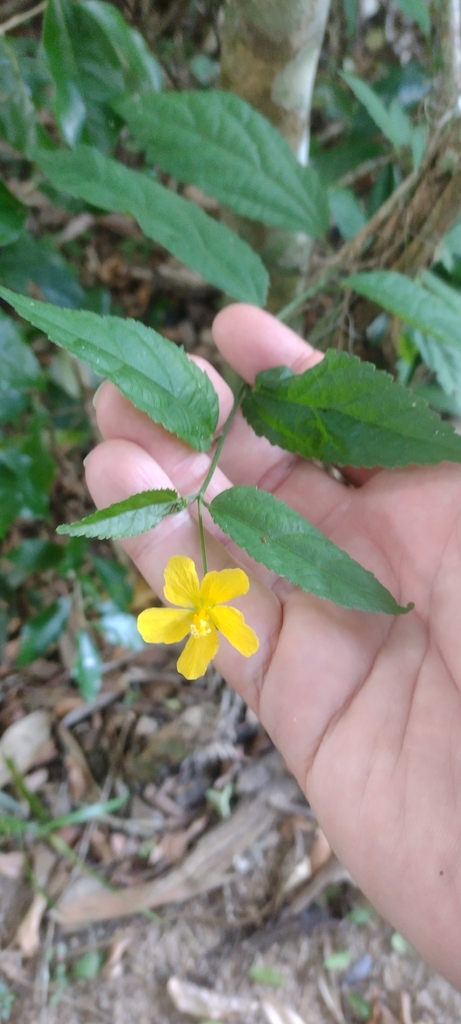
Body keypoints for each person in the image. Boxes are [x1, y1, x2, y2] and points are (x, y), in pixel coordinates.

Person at [85, 303, 461, 989]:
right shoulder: (211, 595)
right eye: (198, 616)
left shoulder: (213, 592)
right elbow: (204, 594)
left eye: (200, 614)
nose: (197, 623)